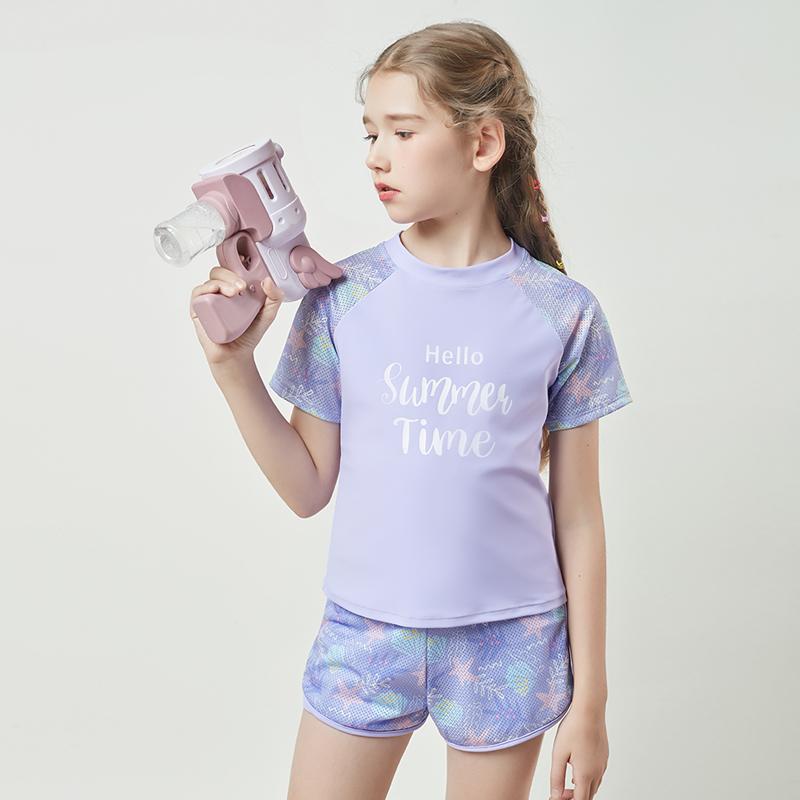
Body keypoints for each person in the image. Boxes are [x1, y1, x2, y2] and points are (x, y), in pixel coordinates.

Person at [190, 20, 632, 800]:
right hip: (365, 634)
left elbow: (579, 517)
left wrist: (589, 702)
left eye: (401, 131)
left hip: (510, 641)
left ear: (483, 143)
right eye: (370, 133)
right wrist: (232, 369)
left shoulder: (562, 311)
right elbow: (306, 488)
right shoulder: (344, 296)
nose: (375, 156)